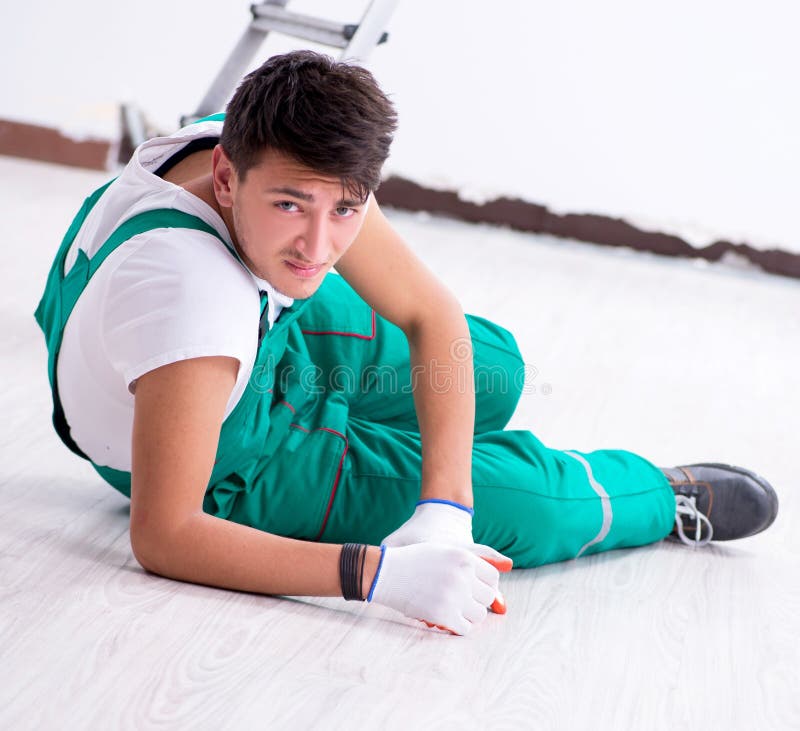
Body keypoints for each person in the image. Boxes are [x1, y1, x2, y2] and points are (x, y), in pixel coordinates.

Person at [35, 50, 779, 637]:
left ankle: (410, 462)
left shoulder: (263, 141)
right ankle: (660, 496)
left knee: (490, 370)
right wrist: (375, 572)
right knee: (522, 502)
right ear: (227, 178)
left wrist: (444, 505)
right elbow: (165, 535)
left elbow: (430, 313)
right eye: (291, 205)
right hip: (219, 450)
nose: (319, 246)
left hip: (253, 337)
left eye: (345, 209)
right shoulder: (192, 298)